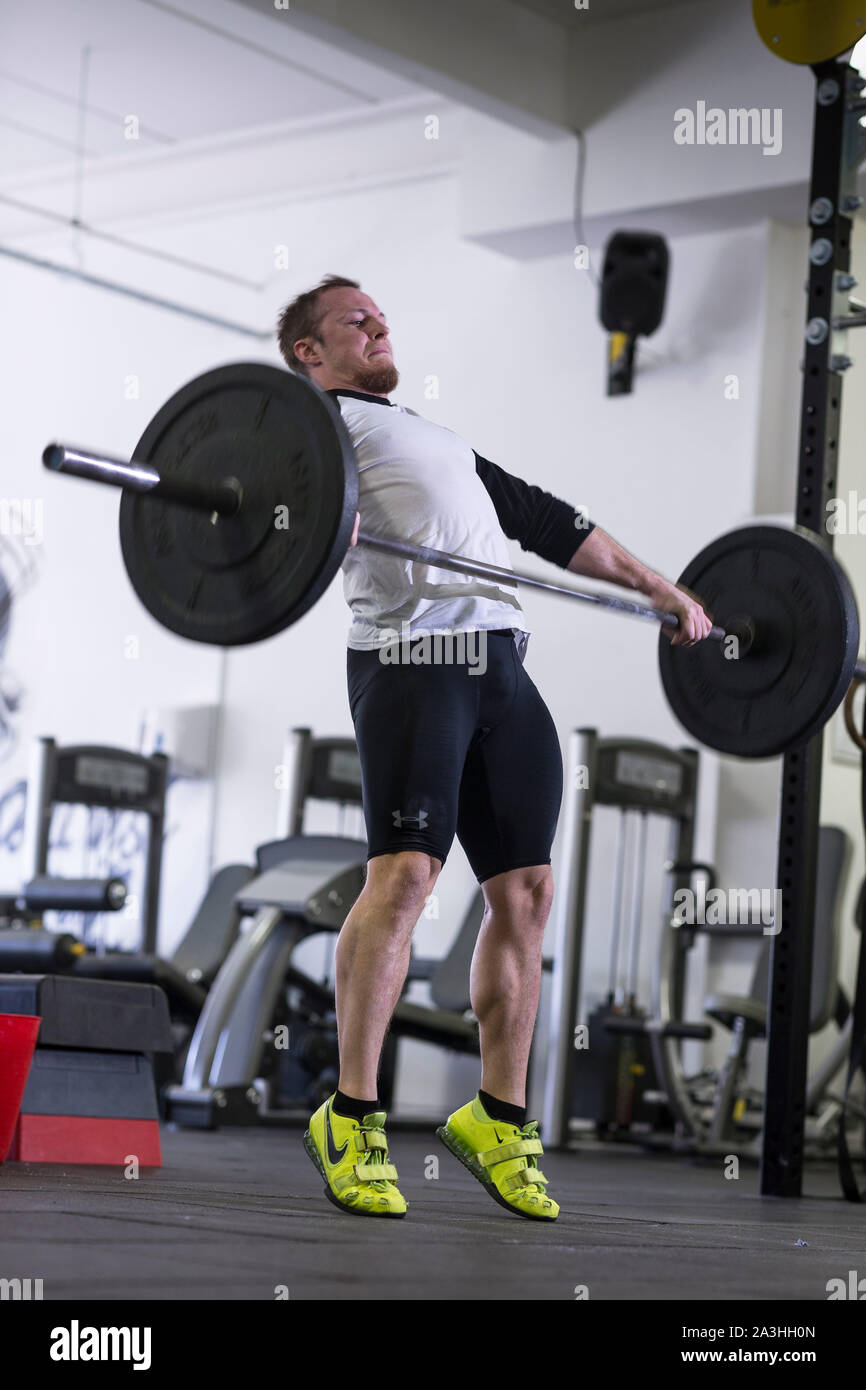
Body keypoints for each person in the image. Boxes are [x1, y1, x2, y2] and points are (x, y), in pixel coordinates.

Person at [277, 274, 713, 1221]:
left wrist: (660, 589)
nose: (380, 326)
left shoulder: (430, 435)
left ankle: (498, 1118)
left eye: (385, 317)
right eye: (358, 321)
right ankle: (351, 1114)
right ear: (309, 353)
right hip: (412, 655)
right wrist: (308, 520)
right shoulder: (305, 435)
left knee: (527, 891)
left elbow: (549, 522)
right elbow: (286, 534)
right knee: (403, 877)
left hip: (501, 659)